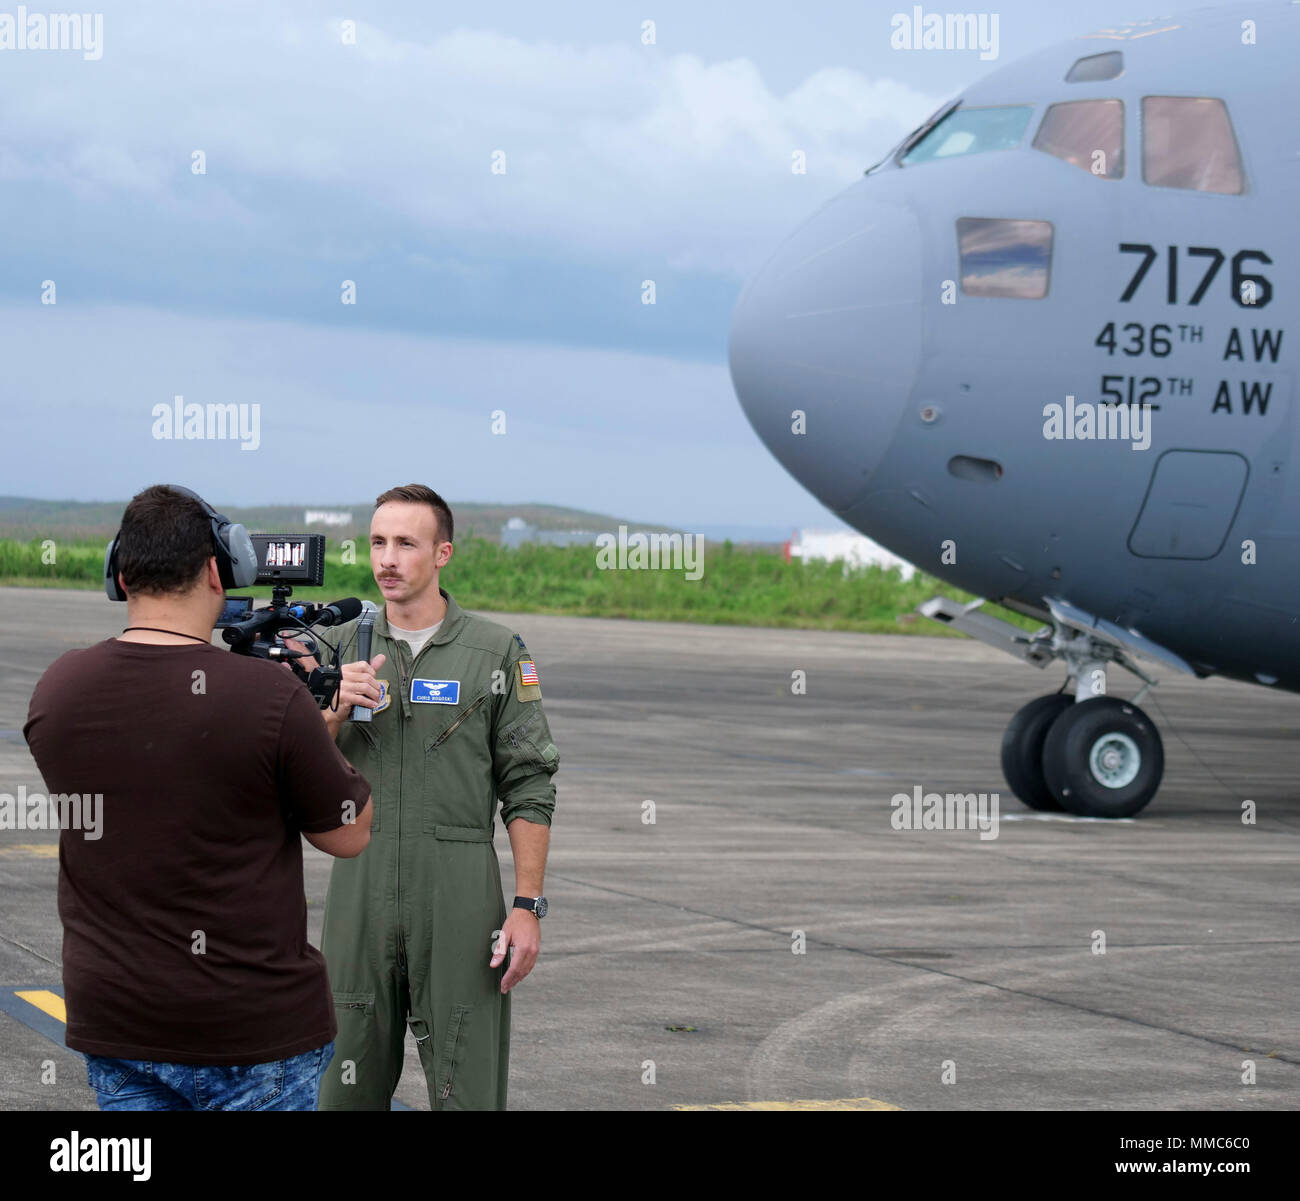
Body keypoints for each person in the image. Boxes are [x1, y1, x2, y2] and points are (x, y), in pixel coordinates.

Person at [22, 484, 372, 1110]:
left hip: (118, 1020)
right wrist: (317, 723)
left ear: (120, 574)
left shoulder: (58, 689)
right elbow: (348, 833)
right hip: (249, 1028)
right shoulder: (272, 698)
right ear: (220, 569)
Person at [306, 484, 559, 1111]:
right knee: (341, 1087)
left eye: (405, 544)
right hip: (360, 883)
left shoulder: (494, 652)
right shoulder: (336, 651)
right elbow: (292, 773)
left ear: (442, 553)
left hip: (460, 888)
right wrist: (333, 711)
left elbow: (529, 784)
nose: (387, 559)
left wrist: (527, 906)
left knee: (468, 1087)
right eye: (377, 543)